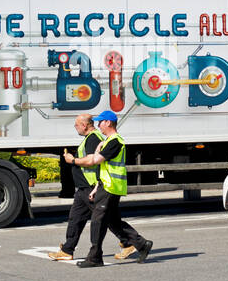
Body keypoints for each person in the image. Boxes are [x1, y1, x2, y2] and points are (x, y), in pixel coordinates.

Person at [70, 110, 153, 268]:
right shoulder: (108, 141)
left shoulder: (115, 141)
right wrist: (96, 187)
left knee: (97, 221)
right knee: (113, 221)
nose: (98, 125)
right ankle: (142, 244)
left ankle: (94, 258)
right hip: (106, 186)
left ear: (108, 123)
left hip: (111, 188)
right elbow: (103, 168)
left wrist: (85, 155)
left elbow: (96, 160)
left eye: (100, 122)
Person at [48, 115, 104, 261]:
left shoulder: (93, 138)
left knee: (107, 218)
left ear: (85, 125)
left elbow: (92, 160)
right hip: (83, 187)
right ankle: (67, 250)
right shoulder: (90, 138)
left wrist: (72, 160)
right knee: (75, 219)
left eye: (77, 125)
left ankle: (130, 241)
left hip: (89, 186)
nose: (75, 127)